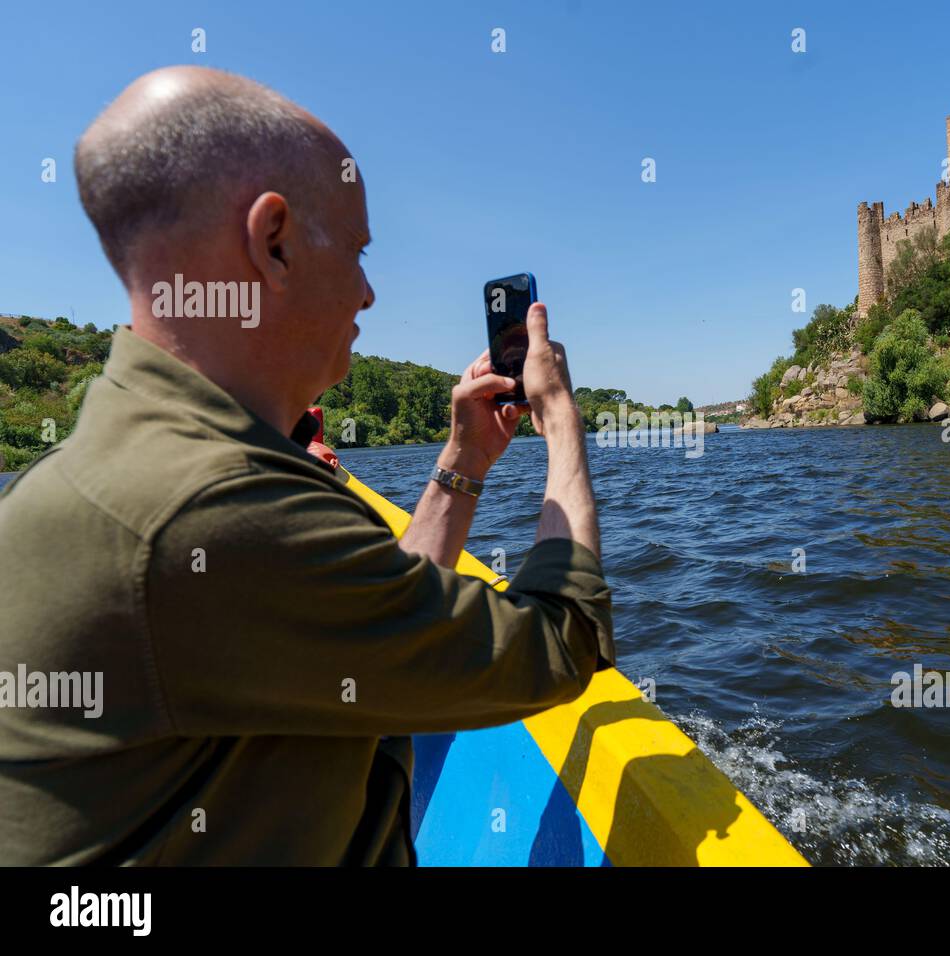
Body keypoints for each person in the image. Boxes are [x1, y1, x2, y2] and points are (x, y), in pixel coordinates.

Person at [0, 66, 613, 865]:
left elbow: (376, 624)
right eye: (357, 252)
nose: (366, 294)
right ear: (274, 241)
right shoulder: (214, 508)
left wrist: (465, 460)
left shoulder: (118, 467)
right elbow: (558, 643)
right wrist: (561, 421)